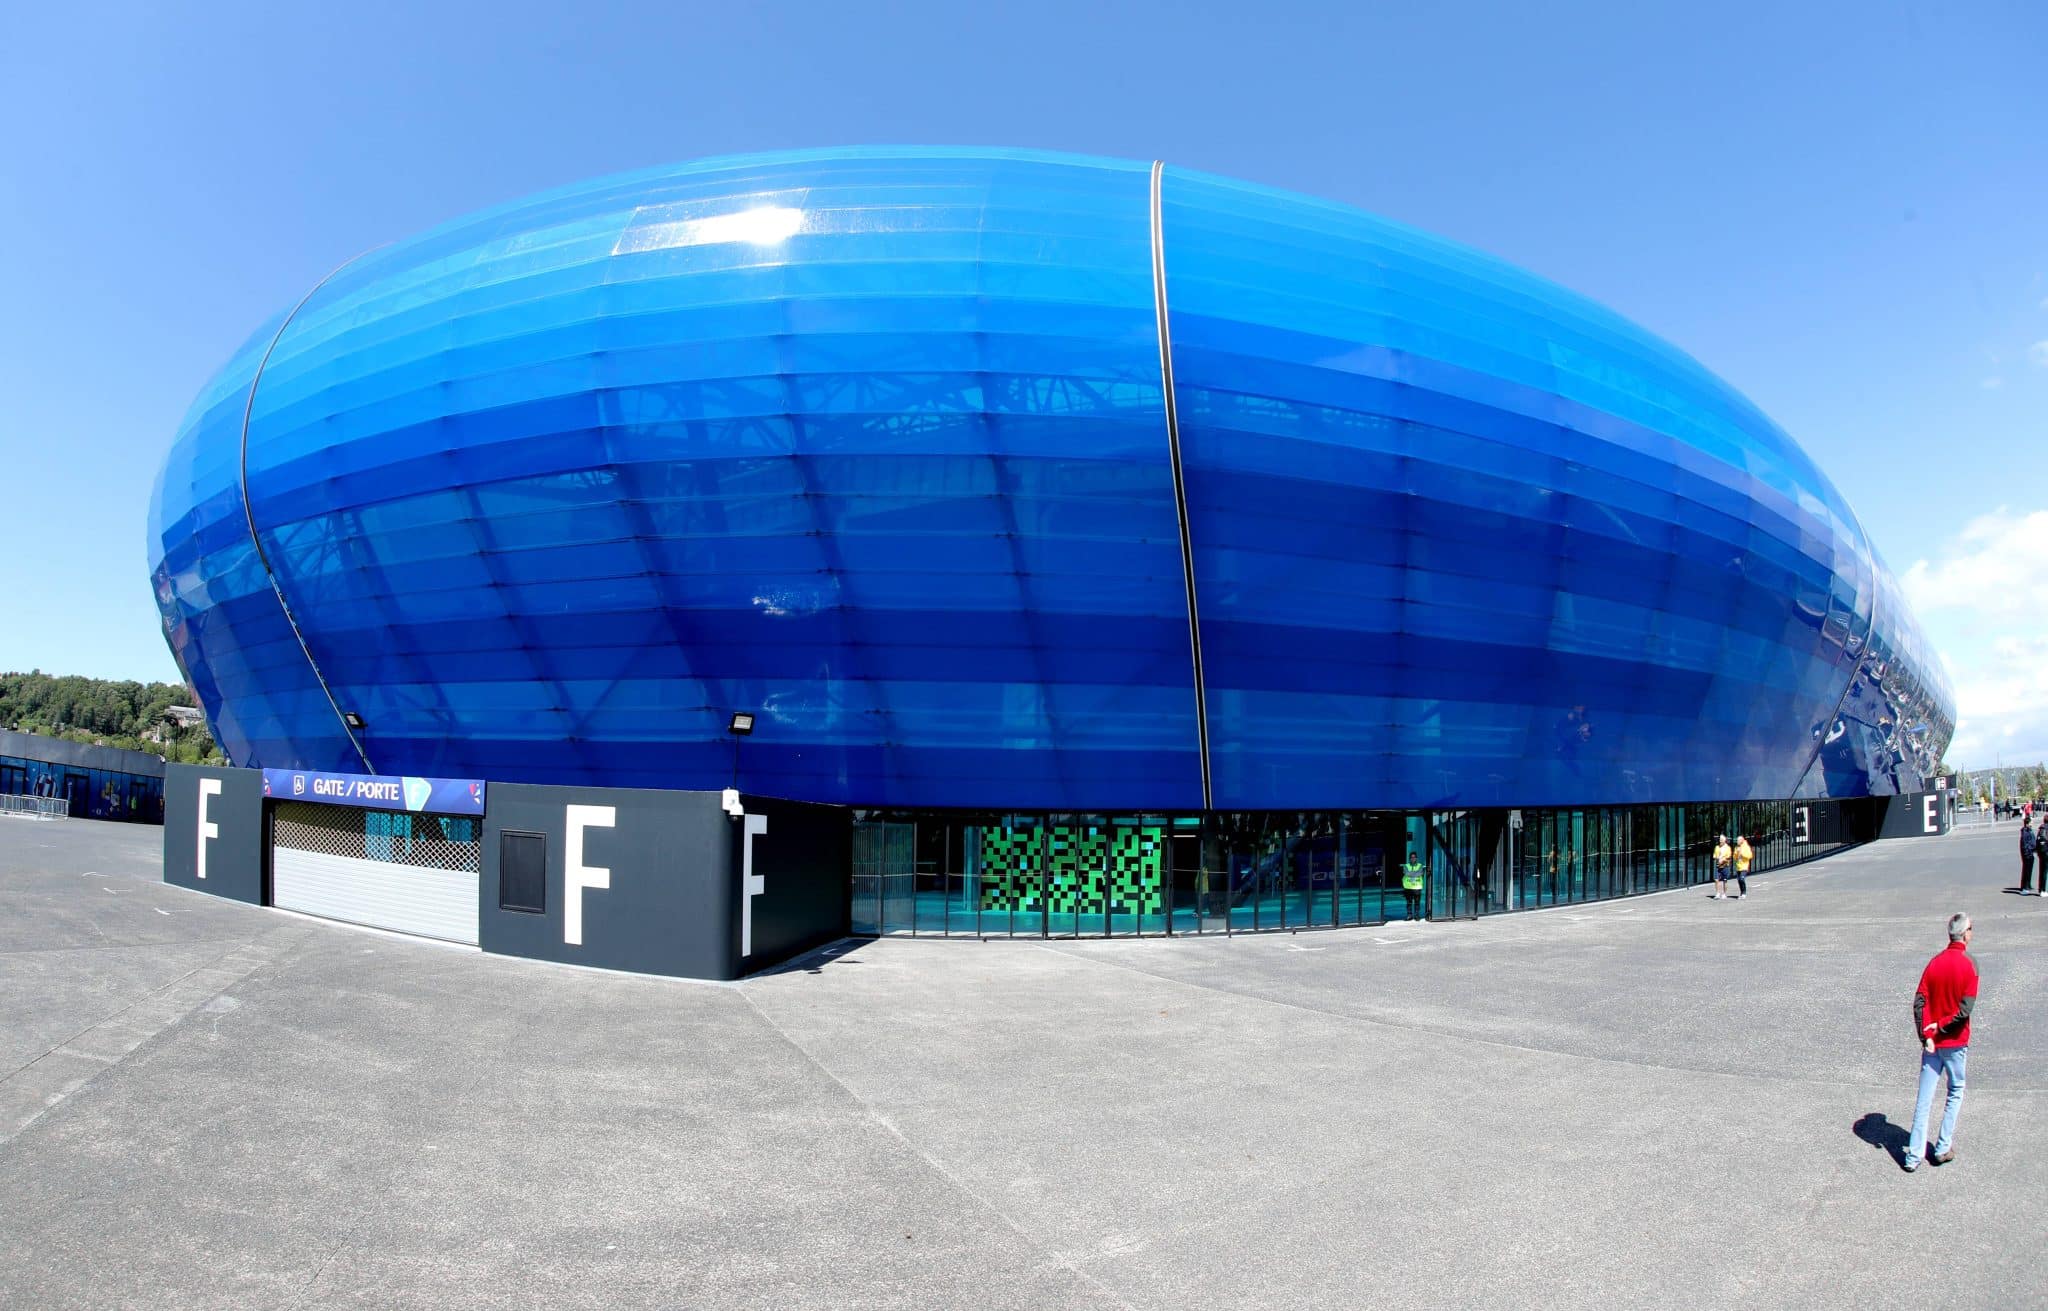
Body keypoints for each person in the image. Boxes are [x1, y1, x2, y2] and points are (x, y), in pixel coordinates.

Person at [1903, 913, 1978, 1172]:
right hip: (1956, 1042)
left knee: (1924, 1098)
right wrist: (1943, 1025)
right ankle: (1942, 1147)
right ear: (1965, 933)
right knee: (1955, 1090)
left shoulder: (1934, 963)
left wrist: (1925, 1035)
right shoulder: (1970, 964)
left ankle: (1913, 1157)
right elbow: (1964, 1010)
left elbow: (1919, 1002)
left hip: (1932, 1045)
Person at [1401, 851, 1425, 920]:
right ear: (1409, 859)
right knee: (1409, 903)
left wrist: (1411, 873)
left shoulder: (1420, 865)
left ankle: (1417, 915)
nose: (1413, 858)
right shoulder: (1406, 866)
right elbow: (1406, 873)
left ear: (1416, 858)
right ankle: (1409, 915)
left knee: (1417, 903)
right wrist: (1415, 873)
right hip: (1408, 887)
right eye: (1411, 857)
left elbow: (1420, 873)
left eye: (1414, 857)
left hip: (1417, 887)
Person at [1711, 834, 1732, 899]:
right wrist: (1717, 858)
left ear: (1725, 840)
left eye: (1722, 840)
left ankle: (1724, 894)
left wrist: (1723, 860)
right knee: (1716, 879)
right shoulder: (1717, 847)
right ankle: (1717, 893)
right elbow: (1714, 856)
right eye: (1720, 840)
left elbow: (1728, 857)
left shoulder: (1728, 848)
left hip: (1725, 865)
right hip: (1717, 865)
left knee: (1725, 880)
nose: (1720, 841)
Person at [2025, 818, 2040, 895]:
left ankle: (2028, 884)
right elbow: (2026, 843)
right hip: (2029, 853)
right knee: (2027, 870)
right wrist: (2031, 849)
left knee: (2030, 870)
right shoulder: (2026, 831)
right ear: (2028, 823)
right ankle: (2026, 886)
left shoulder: (2030, 830)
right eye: (2032, 822)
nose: (2033, 823)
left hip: (2032, 852)